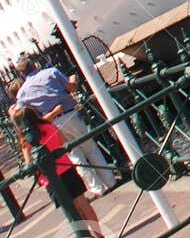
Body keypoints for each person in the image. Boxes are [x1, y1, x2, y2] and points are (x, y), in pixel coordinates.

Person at [7, 57, 109, 238]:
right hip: (67, 163)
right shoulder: (48, 125)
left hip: (50, 178)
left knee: (72, 211)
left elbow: (29, 163)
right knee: (83, 197)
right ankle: (100, 233)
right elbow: (61, 139)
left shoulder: (26, 138)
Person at [13, 58, 116, 199]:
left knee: (75, 156)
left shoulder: (22, 93)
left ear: (22, 74)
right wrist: (74, 79)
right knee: (90, 148)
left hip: (51, 123)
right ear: (34, 65)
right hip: (69, 113)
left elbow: (18, 113)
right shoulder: (51, 73)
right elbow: (71, 88)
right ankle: (110, 181)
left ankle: (97, 188)